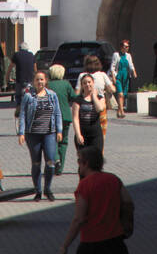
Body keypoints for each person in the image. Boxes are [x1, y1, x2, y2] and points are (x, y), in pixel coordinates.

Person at [58, 145, 137, 254]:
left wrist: (65, 246)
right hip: (115, 242)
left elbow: (79, 219)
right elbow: (128, 202)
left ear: (86, 163)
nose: (78, 165)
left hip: (92, 244)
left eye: (79, 161)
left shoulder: (84, 185)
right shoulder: (113, 179)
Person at [18, 68, 62, 201]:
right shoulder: (28, 96)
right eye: (37, 79)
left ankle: (47, 189)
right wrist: (21, 133)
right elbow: (22, 114)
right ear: (33, 81)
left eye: (42, 79)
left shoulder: (52, 95)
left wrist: (59, 130)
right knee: (36, 163)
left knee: (50, 161)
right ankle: (38, 190)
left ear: (46, 81)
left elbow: (58, 113)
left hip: (49, 133)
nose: (39, 82)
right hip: (33, 134)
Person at [76, 54, 115, 141]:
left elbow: (77, 93)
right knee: (101, 132)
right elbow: (112, 89)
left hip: (85, 107)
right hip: (100, 104)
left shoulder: (82, 76)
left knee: (85, 133)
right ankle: (100, 151)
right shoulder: (102, 75)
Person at [47, 63, 77, 174]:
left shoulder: (48, 85)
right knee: (63, 142)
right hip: (65, 116)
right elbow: (74, 97)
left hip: (51, 116)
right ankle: (60, 169)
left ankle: (56, 159)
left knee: (52, 139)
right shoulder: (66, 84)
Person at [71, 71, 105, 153]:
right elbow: (75, 119)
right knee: (84, 161)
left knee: (96, 160)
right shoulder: (78, 100)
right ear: (82, 85)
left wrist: (94, 96)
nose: (87, 85)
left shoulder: (100, 98)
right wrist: (78, 134)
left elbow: (100, 109)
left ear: (93, 83)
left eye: (89, 82)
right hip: (83, 134)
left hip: (96, 135)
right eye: (84, 83)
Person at [110, 40, 137, 118]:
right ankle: (122, 111)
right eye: (125, 46)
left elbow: (131, 65)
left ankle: (119, 110)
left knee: (123, 95)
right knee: (120, 94)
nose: (127, 48)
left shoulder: (128, 56)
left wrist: (134, 72)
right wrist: (114, 77)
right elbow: (112, 67)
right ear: (121, 47)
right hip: (118, 76)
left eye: (128, 46)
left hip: (126, 77)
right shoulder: (116, 55)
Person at [10, 42, 36, 122]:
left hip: (20, 80)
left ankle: (18, 110)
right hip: (30, 80)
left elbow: (10, 67)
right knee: (32, 97)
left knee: (18, 97)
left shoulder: (16, 55)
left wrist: (7, 77)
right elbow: (35, 68)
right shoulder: (32, 55)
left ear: (19, 48)